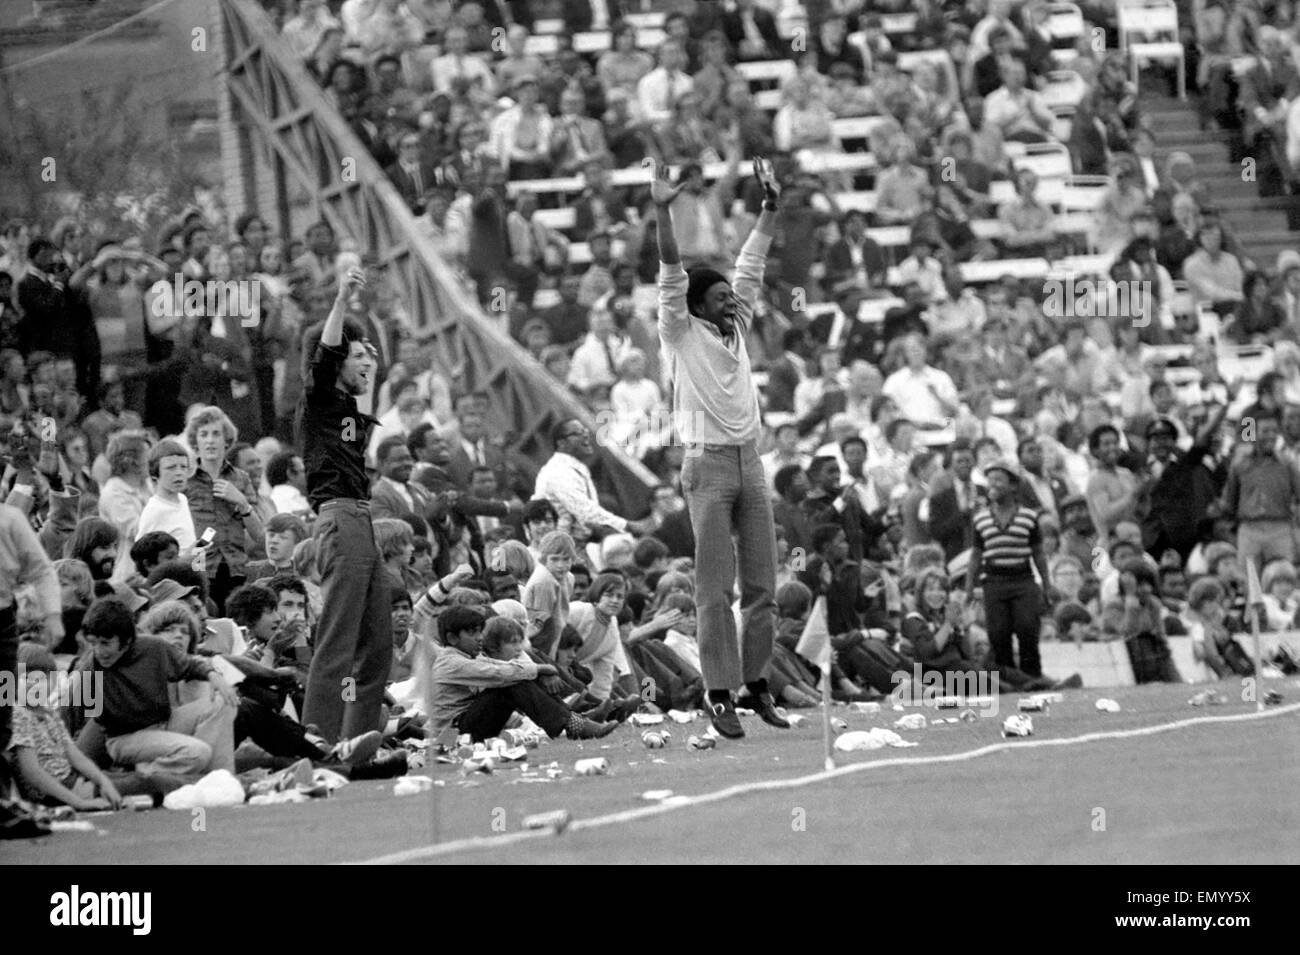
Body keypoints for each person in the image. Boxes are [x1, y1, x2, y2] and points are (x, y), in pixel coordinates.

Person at [650, 155, 790, 739]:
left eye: (734, 295)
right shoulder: (679, 330)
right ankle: (718, 693)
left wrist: (768, 210)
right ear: (696, 304)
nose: (732, 299)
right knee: (714, 589)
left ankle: (755, 683)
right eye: (721, 296)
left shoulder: (738, 322)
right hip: (706, 464)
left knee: (763, 586)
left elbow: (752, 263)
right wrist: (662, 208)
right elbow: (670, 268)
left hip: (749, 462)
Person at [297, 267, 393, 746]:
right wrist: (341, 302)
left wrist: (370, 368)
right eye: (356, 355)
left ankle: (357, 743)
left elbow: (365, 421)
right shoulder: (317, 400)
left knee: (377, 646)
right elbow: (326, 352)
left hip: (361, 520)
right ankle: (314, 741)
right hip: (339, 517)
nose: (363, 361)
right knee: (338, 639)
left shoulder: (347, 414)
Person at [76, 596, 239, 778]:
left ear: (127, 641)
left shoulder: (153, 648)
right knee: (197, 752)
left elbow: (190, 665)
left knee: (223, 702)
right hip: (125, 739)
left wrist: (214, 676)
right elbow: (69, 714)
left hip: (164, 723)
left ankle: (220, 780)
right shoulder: (89, 670)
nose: (99, 651)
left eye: (105, 643)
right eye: (93, 643)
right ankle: (141, 779)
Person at [427, 607, 616, 744]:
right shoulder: (450, 662)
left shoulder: (469, 656)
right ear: (452, 638)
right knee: (511, 681)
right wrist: (542, 669)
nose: (479, 637)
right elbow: (499, 673)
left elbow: (503, 666)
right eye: (472, 633)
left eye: (479, 631)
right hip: (453, 734)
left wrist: (540, 671)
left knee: (516, 677)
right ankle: (575, 723)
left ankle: (575, 720)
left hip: (471, 725)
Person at [965, 459, 1050, 678]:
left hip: (1023, 580)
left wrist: (1047, 585)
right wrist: (969, 585)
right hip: (994, 582)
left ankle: (1033, 676)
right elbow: (976, 555)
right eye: (990, 479)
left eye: (999, 479)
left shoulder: (1029, 517)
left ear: (1013, 486)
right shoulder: (981, 519)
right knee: (998, 633)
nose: (993, 484)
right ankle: (1008, 677)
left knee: (1027, 628)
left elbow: (1038, 554)